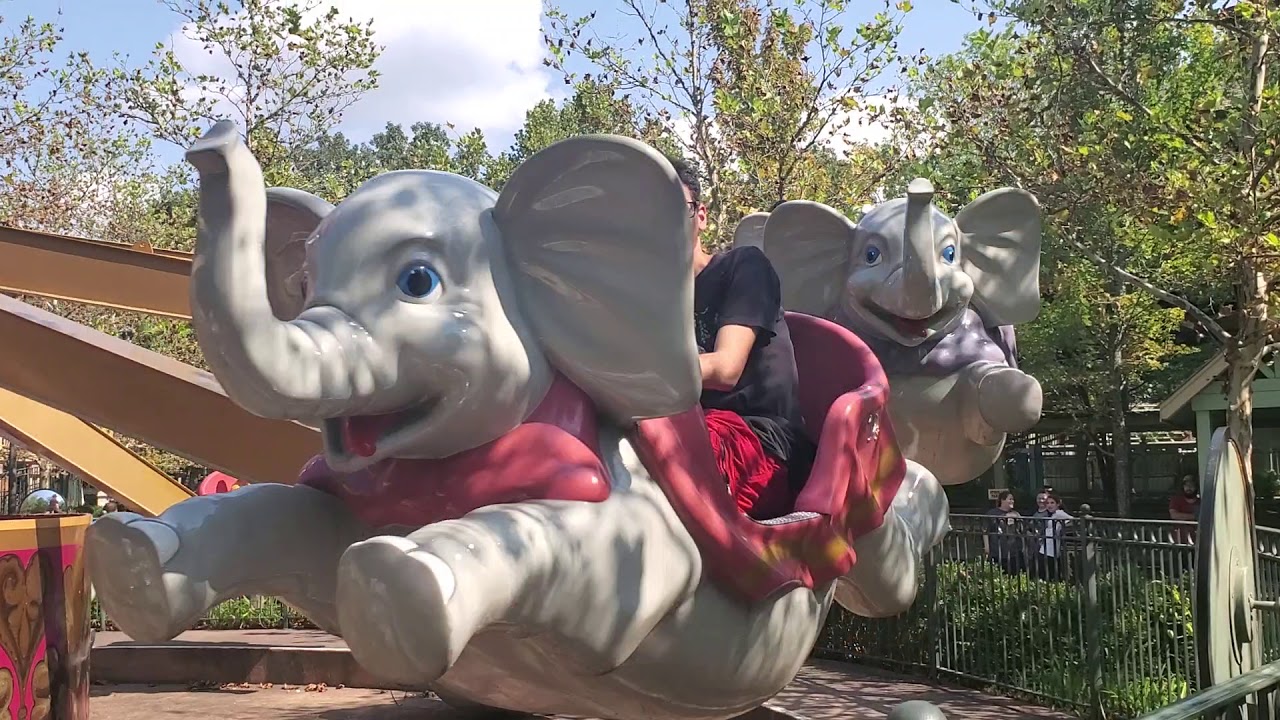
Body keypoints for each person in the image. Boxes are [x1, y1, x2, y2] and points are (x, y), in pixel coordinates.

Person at [670, 156, 816, 520]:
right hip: (686, 428)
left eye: (674, 208)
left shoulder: (743, 266)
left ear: (700, 215)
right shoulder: (652, 299)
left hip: (761, 442)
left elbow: (724, 368)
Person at [1034, 494, 1072, 581]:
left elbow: (1072, 520)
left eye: (1052, 503)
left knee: (1050, 574)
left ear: (1058, 504)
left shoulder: (1059, 513)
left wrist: (1063, 528)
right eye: (1048, 503)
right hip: (1045, 547)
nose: (1049, 505)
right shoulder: (1051, 514)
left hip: (1052, 549)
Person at [984, 491, 1023, 574]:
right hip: (996, 551)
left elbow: (1021, 531)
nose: (1012, 501)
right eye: (1010, 499)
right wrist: (987, 547)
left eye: (1013, 499)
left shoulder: (1015, 514)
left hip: (1012, 552)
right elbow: (985, 531)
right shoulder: (992, 513)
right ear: (1002, 500)